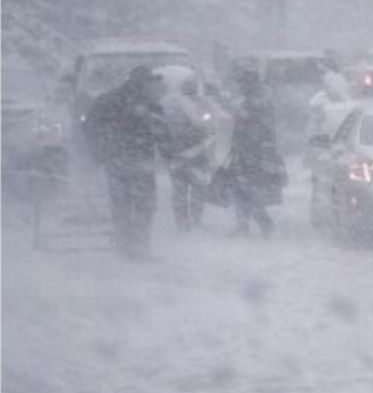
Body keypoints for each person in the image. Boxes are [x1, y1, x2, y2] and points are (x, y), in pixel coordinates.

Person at [84, 67, 167, 259]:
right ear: (143, 82)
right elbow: (161, 133)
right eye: (150, 82)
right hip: (139, 160)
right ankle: (139, 246)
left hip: (117, 160)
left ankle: (126, 244)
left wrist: (100, 152)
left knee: (123, 203)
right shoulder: (148, 103)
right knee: (144, 204)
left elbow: (89, 126)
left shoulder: (108, 99)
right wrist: (170, 155)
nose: (153, 85)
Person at [225, 70, 286, 236]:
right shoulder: (250, 101)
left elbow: (262, 129)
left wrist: (249, 144)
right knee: (240, 187)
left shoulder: (260, 102)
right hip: (246, 152)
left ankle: (263, 223)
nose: (241, 86)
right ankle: (245, 224)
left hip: (255, 153)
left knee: (248, 189)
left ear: (250, 84)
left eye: (243, 83)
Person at [160, 95, 215, 231]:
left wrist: (169, 157)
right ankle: (193, 220)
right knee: (195, 191)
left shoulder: (170, 120)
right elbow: (209, 137)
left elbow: (164, 142)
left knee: (181, 192)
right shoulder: (200, 119)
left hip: (180, 160)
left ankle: (184, 222)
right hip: (195, 160)